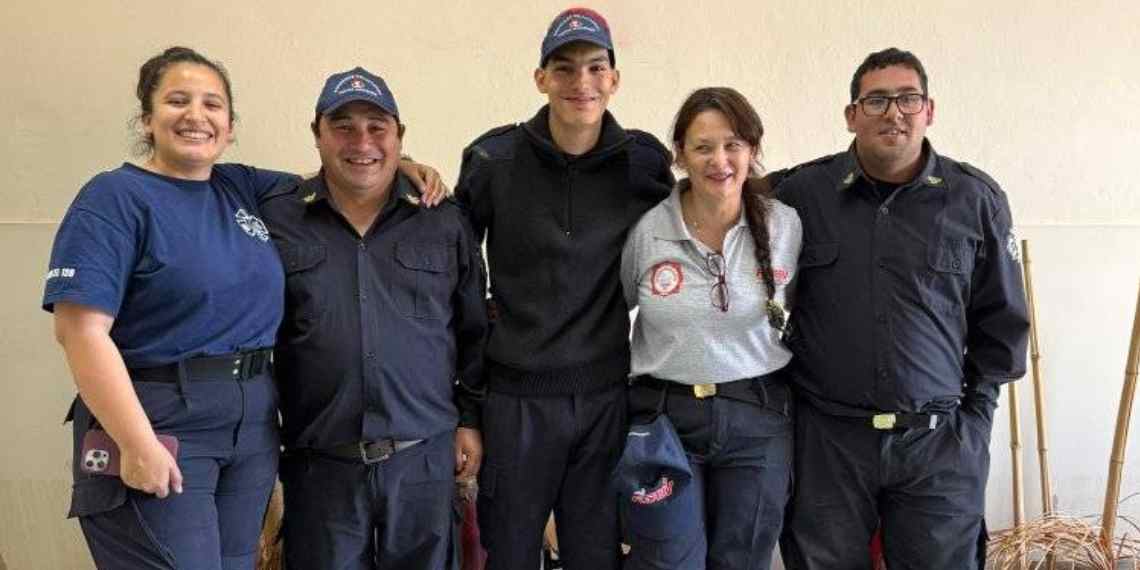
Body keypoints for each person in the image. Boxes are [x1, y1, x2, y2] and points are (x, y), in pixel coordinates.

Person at [43, 47, 445, 569]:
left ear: (229, 126)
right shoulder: (114, 198)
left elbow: (343, 175)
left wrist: (400, 164)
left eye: (212, 104)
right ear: (147, 117)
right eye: (177, 101)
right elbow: (79, 332)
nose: (196, 115)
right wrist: (136, 442)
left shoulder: (241, 188)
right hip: (158, 415)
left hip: (252, 421)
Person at [774, 48, 1029, 569]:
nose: (894, 112)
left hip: (938, 447)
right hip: (828, 447)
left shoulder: (975, 200)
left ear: (929, 110)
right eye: (877, 100)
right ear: (851, 114)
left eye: (908, 98)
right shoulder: (802, 193)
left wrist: (973, 424)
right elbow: (721, 196)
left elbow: (1001, 326)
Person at [454, 7, 674, 569]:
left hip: (604, 397)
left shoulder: (643, 162)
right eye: (565, 68)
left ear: (614, 79)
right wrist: (468, 406)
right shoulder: (492, 160)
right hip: (514, 401)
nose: (582, 83)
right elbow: (451, 266)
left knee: (596, 555)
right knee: (510, 555)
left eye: (596, 67)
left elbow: (701, 211)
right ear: (541, 78)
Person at [259, 66, 487, 569]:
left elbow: (474, 331)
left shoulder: (443, 222)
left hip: (423, 460)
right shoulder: (275, 220)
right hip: (319, 466)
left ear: (399, 137)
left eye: (377, 127)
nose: (361, 141)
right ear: (316, 135)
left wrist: (470, 419)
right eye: (343, 126)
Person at [619, 87, 801, 570]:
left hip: (758, 421)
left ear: (752, 151)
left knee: (743, 560)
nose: (719, 160)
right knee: (667, 561)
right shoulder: (646, 232)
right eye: (702, 147)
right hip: (664, 422)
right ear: (680, 154)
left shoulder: (787, 227)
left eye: (733, 145)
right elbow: (606, 317)